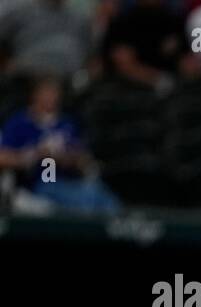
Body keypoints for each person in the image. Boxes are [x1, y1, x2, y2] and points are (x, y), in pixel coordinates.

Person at [0, 75, 120, 214]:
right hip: (37, 184)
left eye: (54, 93)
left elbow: (84, 159)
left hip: (69, 181)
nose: (51, 98)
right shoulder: (20, 122)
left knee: (103, 196)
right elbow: (3, 158)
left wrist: (68, 157)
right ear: (35, 95)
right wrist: (35, 154)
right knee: (86, 198)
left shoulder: (67, 123)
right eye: (46, 93)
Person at [102, 0, 187, 91]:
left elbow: (186, 60)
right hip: (130, 90)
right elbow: (120, 62)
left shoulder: (176, 21)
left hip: (176, 90)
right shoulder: (122, 23)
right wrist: (158, 80)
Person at [0, 0, 92, 79]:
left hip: (69, 84)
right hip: (26, 81)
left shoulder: (80, 21)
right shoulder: (20, 14)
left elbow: (91, 58)